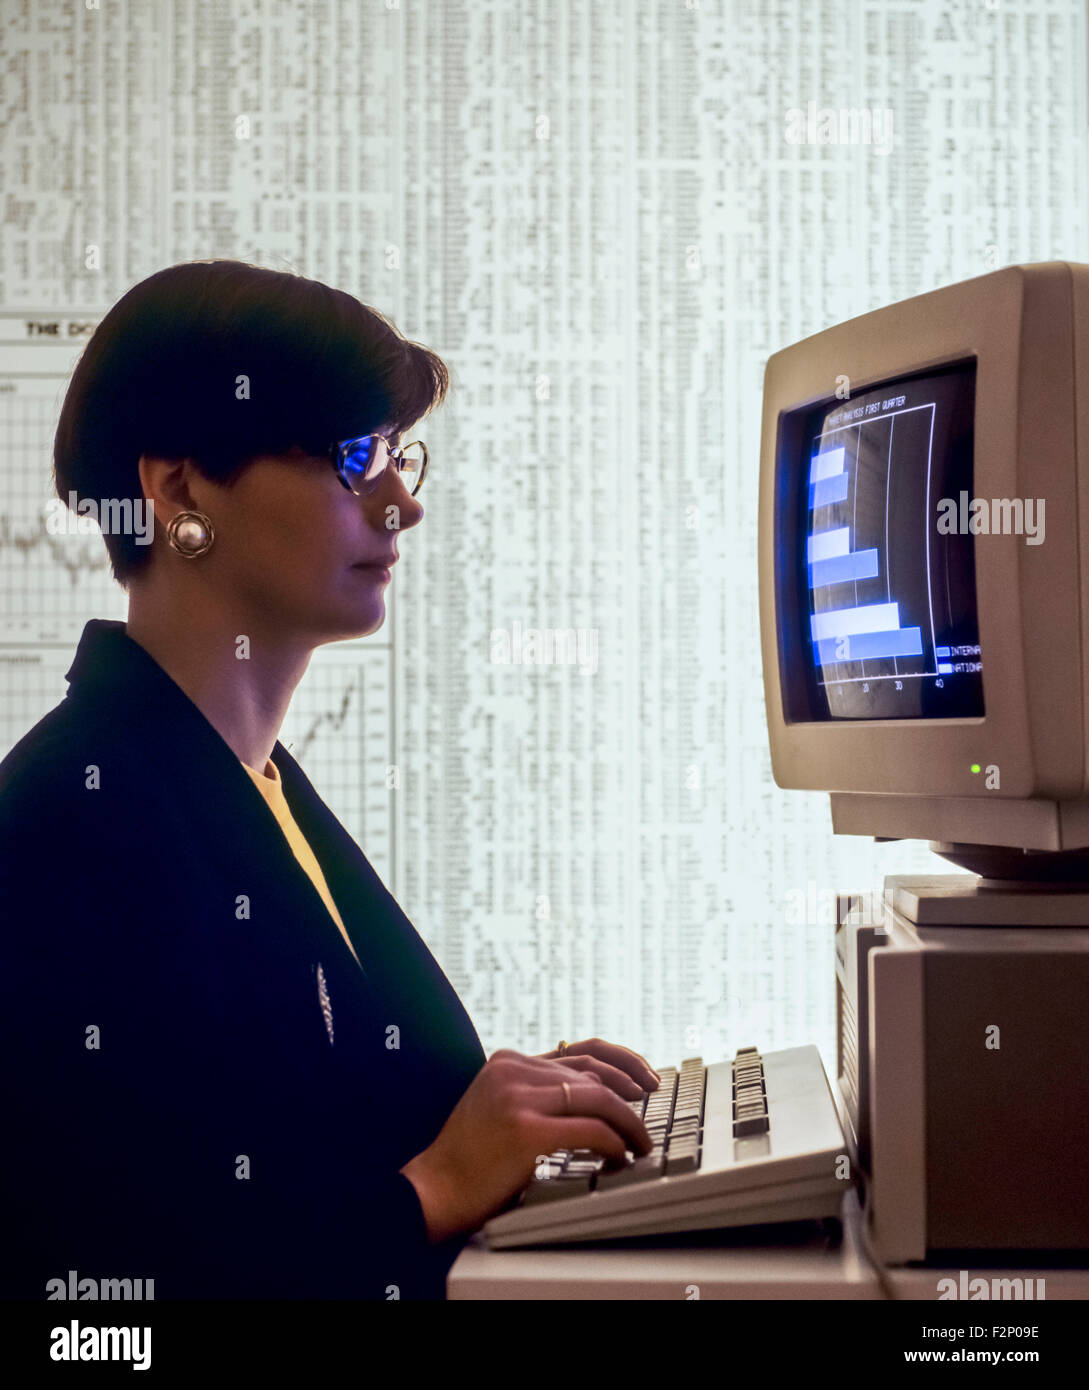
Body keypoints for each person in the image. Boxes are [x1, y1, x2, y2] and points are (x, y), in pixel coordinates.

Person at [0, 259, 657, 1301]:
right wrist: (438, 1181)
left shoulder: (245, 778)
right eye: (355, 460)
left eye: (401, 457)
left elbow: (281, 1122)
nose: (401, 505)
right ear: (177, 491)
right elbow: (99, 1298)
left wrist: (494, 1108)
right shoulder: (68, 821)